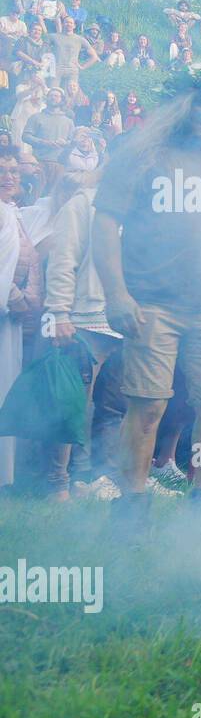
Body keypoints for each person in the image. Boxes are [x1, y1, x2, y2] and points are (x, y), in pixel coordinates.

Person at [92, 68, 201, 529]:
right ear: (179, 105)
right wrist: (116, 294)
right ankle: (131, 505)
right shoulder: (141, 156)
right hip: (153, 305)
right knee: (146, 407)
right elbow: (105, 223)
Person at [41, 167, 125, 499]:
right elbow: (63, 260)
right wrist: (59, 311)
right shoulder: (83, 202)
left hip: (126, 317)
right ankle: (58, 481)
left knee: (115, 405)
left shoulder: (142, 207)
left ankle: (99, 477)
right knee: (74, 403)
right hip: (86, 316)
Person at [0, 147, 44, 488]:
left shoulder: (12, 211)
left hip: (9, 321)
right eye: (2, 170)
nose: (10, 176)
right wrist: (11, 296)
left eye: (14, 170)